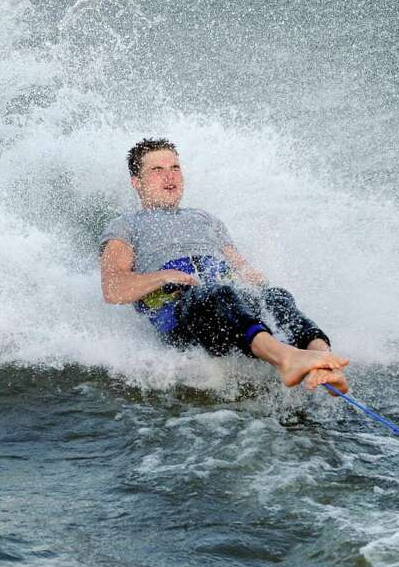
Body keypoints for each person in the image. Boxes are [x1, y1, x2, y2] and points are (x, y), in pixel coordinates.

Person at [99, 138, 350, 393]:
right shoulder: (125, 225)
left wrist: (253, 279)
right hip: (183, 316)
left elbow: (241, 268)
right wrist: (165, 275)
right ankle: (287, 358)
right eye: (157, 170)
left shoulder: (206, 219)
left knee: (275, 296)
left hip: (227, 302)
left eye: (175, 167)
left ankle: (324, 363)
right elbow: (113, 288)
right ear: (136, 182)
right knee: (217, 295)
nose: (169, 176)